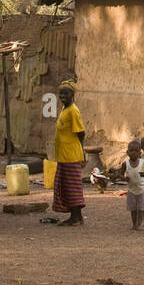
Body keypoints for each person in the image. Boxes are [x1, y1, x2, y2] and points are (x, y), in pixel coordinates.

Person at [41, 80, 86, 226]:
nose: (62, 96)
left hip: (71, 155)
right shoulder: (65, 110)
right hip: (64, 155)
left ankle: (76, 217)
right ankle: (76, 216)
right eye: (61, 93)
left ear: (72, 94)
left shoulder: (73, 111)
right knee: (67, 186)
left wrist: (82, 150)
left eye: (66, 93)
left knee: (72, 187)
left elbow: (81, 133)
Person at [124, 139, 144, 230]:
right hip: (131, 190)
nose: (133, 153)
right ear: (127, 152)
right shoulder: (125, 164)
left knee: (140, 209)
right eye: (131, 150)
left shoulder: (143, 163)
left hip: (142, 189)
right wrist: (124, 178)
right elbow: (121, 175)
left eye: (136, 151)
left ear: (140, 153)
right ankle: (134, 224)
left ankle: (139, 224)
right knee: (133, 209)